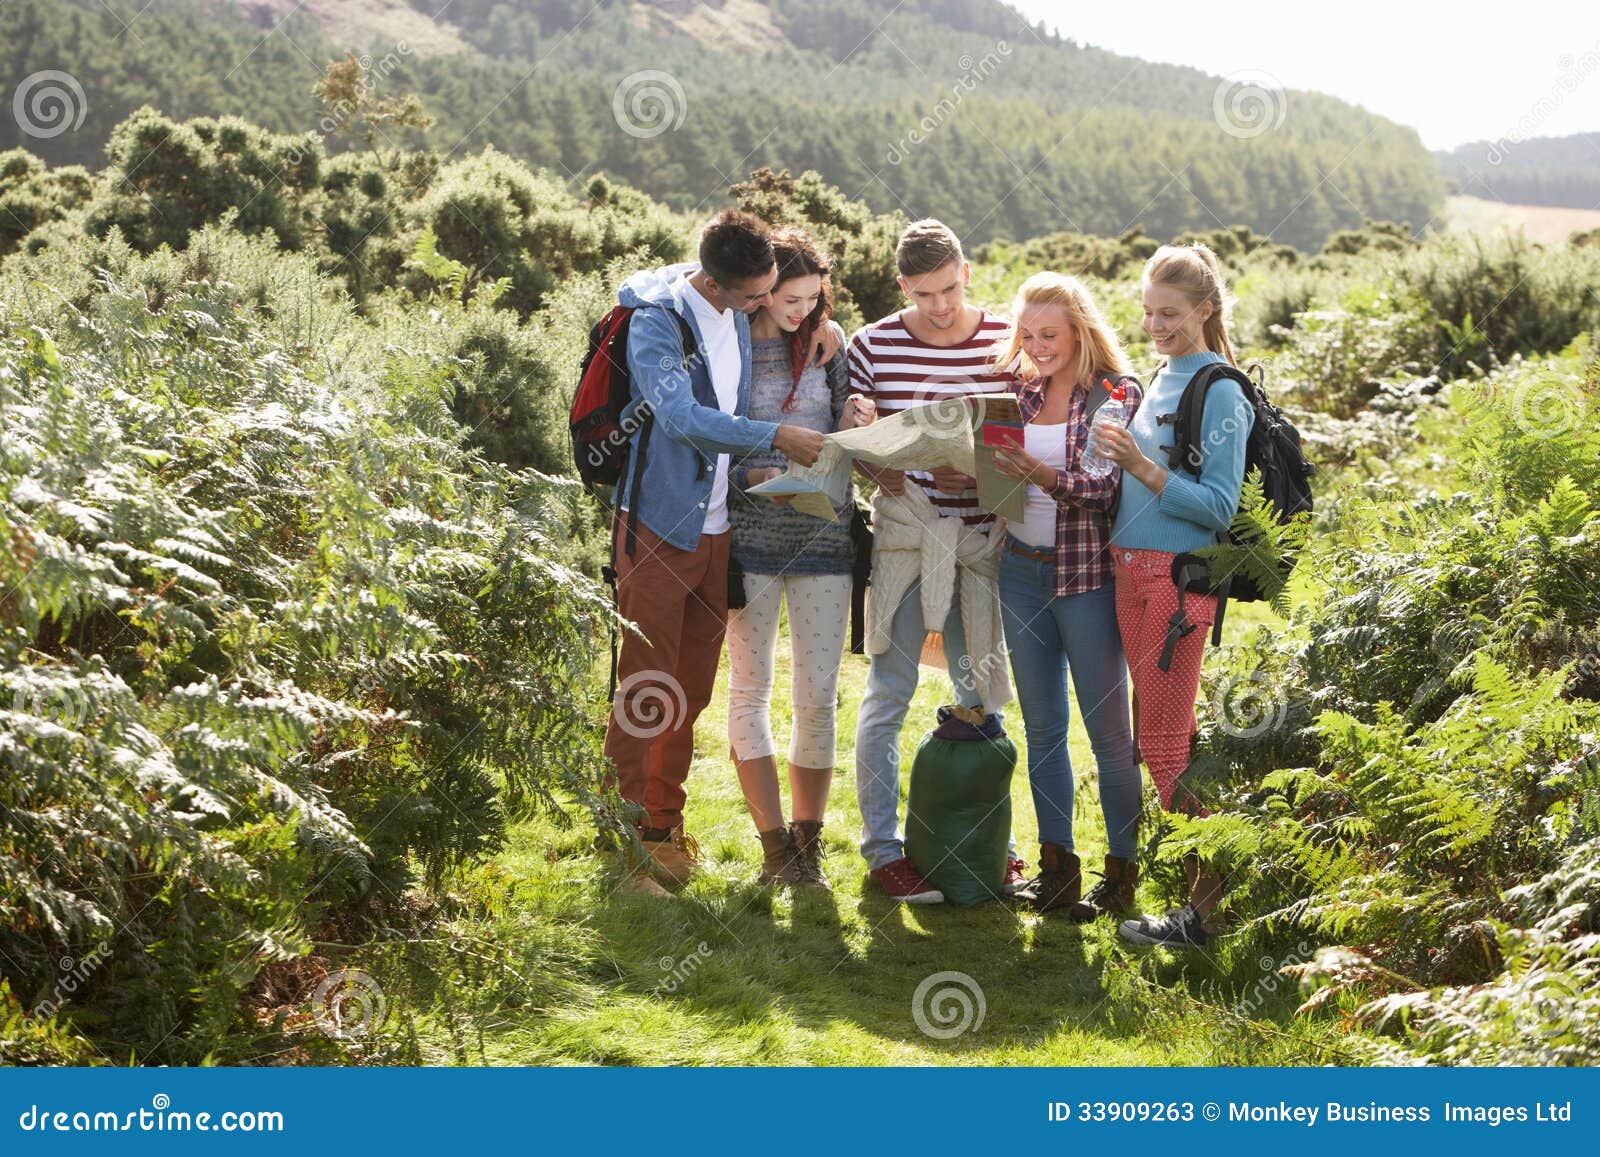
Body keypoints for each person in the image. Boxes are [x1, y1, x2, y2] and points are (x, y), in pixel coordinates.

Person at [604, 210, 827, 896]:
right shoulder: (656, 322)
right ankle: (625, 837)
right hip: (656, 523)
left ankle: (664, 828)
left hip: (715, 527)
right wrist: (774, 436)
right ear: (722, 284)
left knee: (693, 685)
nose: (764, 306)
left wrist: (825, 327)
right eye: (757, 296)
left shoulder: (737, 308)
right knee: (647, 681)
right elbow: (677, 417)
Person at [847, 218, 1026, 904]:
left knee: (979, 699)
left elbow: (1022, 447)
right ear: (902, 286)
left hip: (981, 545)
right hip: (904, 536)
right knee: (886, 696)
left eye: (949, 289)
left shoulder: (1006, 338)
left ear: (968, 272)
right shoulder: (872, 345)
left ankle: (990, 846)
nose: (941, 307)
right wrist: (870, 455)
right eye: (924, 295)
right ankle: (883, 851)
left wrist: (982, 477)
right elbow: (857, 445)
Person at [1091, 242, 1255, 947]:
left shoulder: (1220, 389)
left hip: (1175, 582)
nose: (1157, 325)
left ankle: (1208, 913)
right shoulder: (1159, 376)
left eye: (1172, 314)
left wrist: (1140, 468)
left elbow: (1221, 507)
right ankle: (1200, 897)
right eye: (1149, 312)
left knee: (1163, 749)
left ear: (1205, 310)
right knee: (1165, 740)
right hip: (1129, 573)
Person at [989, 272, 1144, 918]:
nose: (1037, 346)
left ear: (1080, 329)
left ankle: (1122, 874)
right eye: (1027, 334)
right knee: (1043, 727)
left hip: (1085, 580)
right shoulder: (1017, 390)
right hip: (1020, 573)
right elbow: (991, 475)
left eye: (1049, 334)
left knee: (1109, 733)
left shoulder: (1116, 392)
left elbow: (1104, 488)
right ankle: (1057, 872)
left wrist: (1041, 475)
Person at [726, 227, 875, 889]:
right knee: (749, 690)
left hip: (824, 538)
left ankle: (807, 848)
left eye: (814, 299)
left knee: (817, 697)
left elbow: (847, 424)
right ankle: (771, 847)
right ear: (761, 289)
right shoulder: (727, 345)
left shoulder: (825, 342)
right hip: (748, 538)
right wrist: (747, 479)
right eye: (791, 297)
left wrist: (856, 410)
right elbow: (709, 434)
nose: (801, 310)